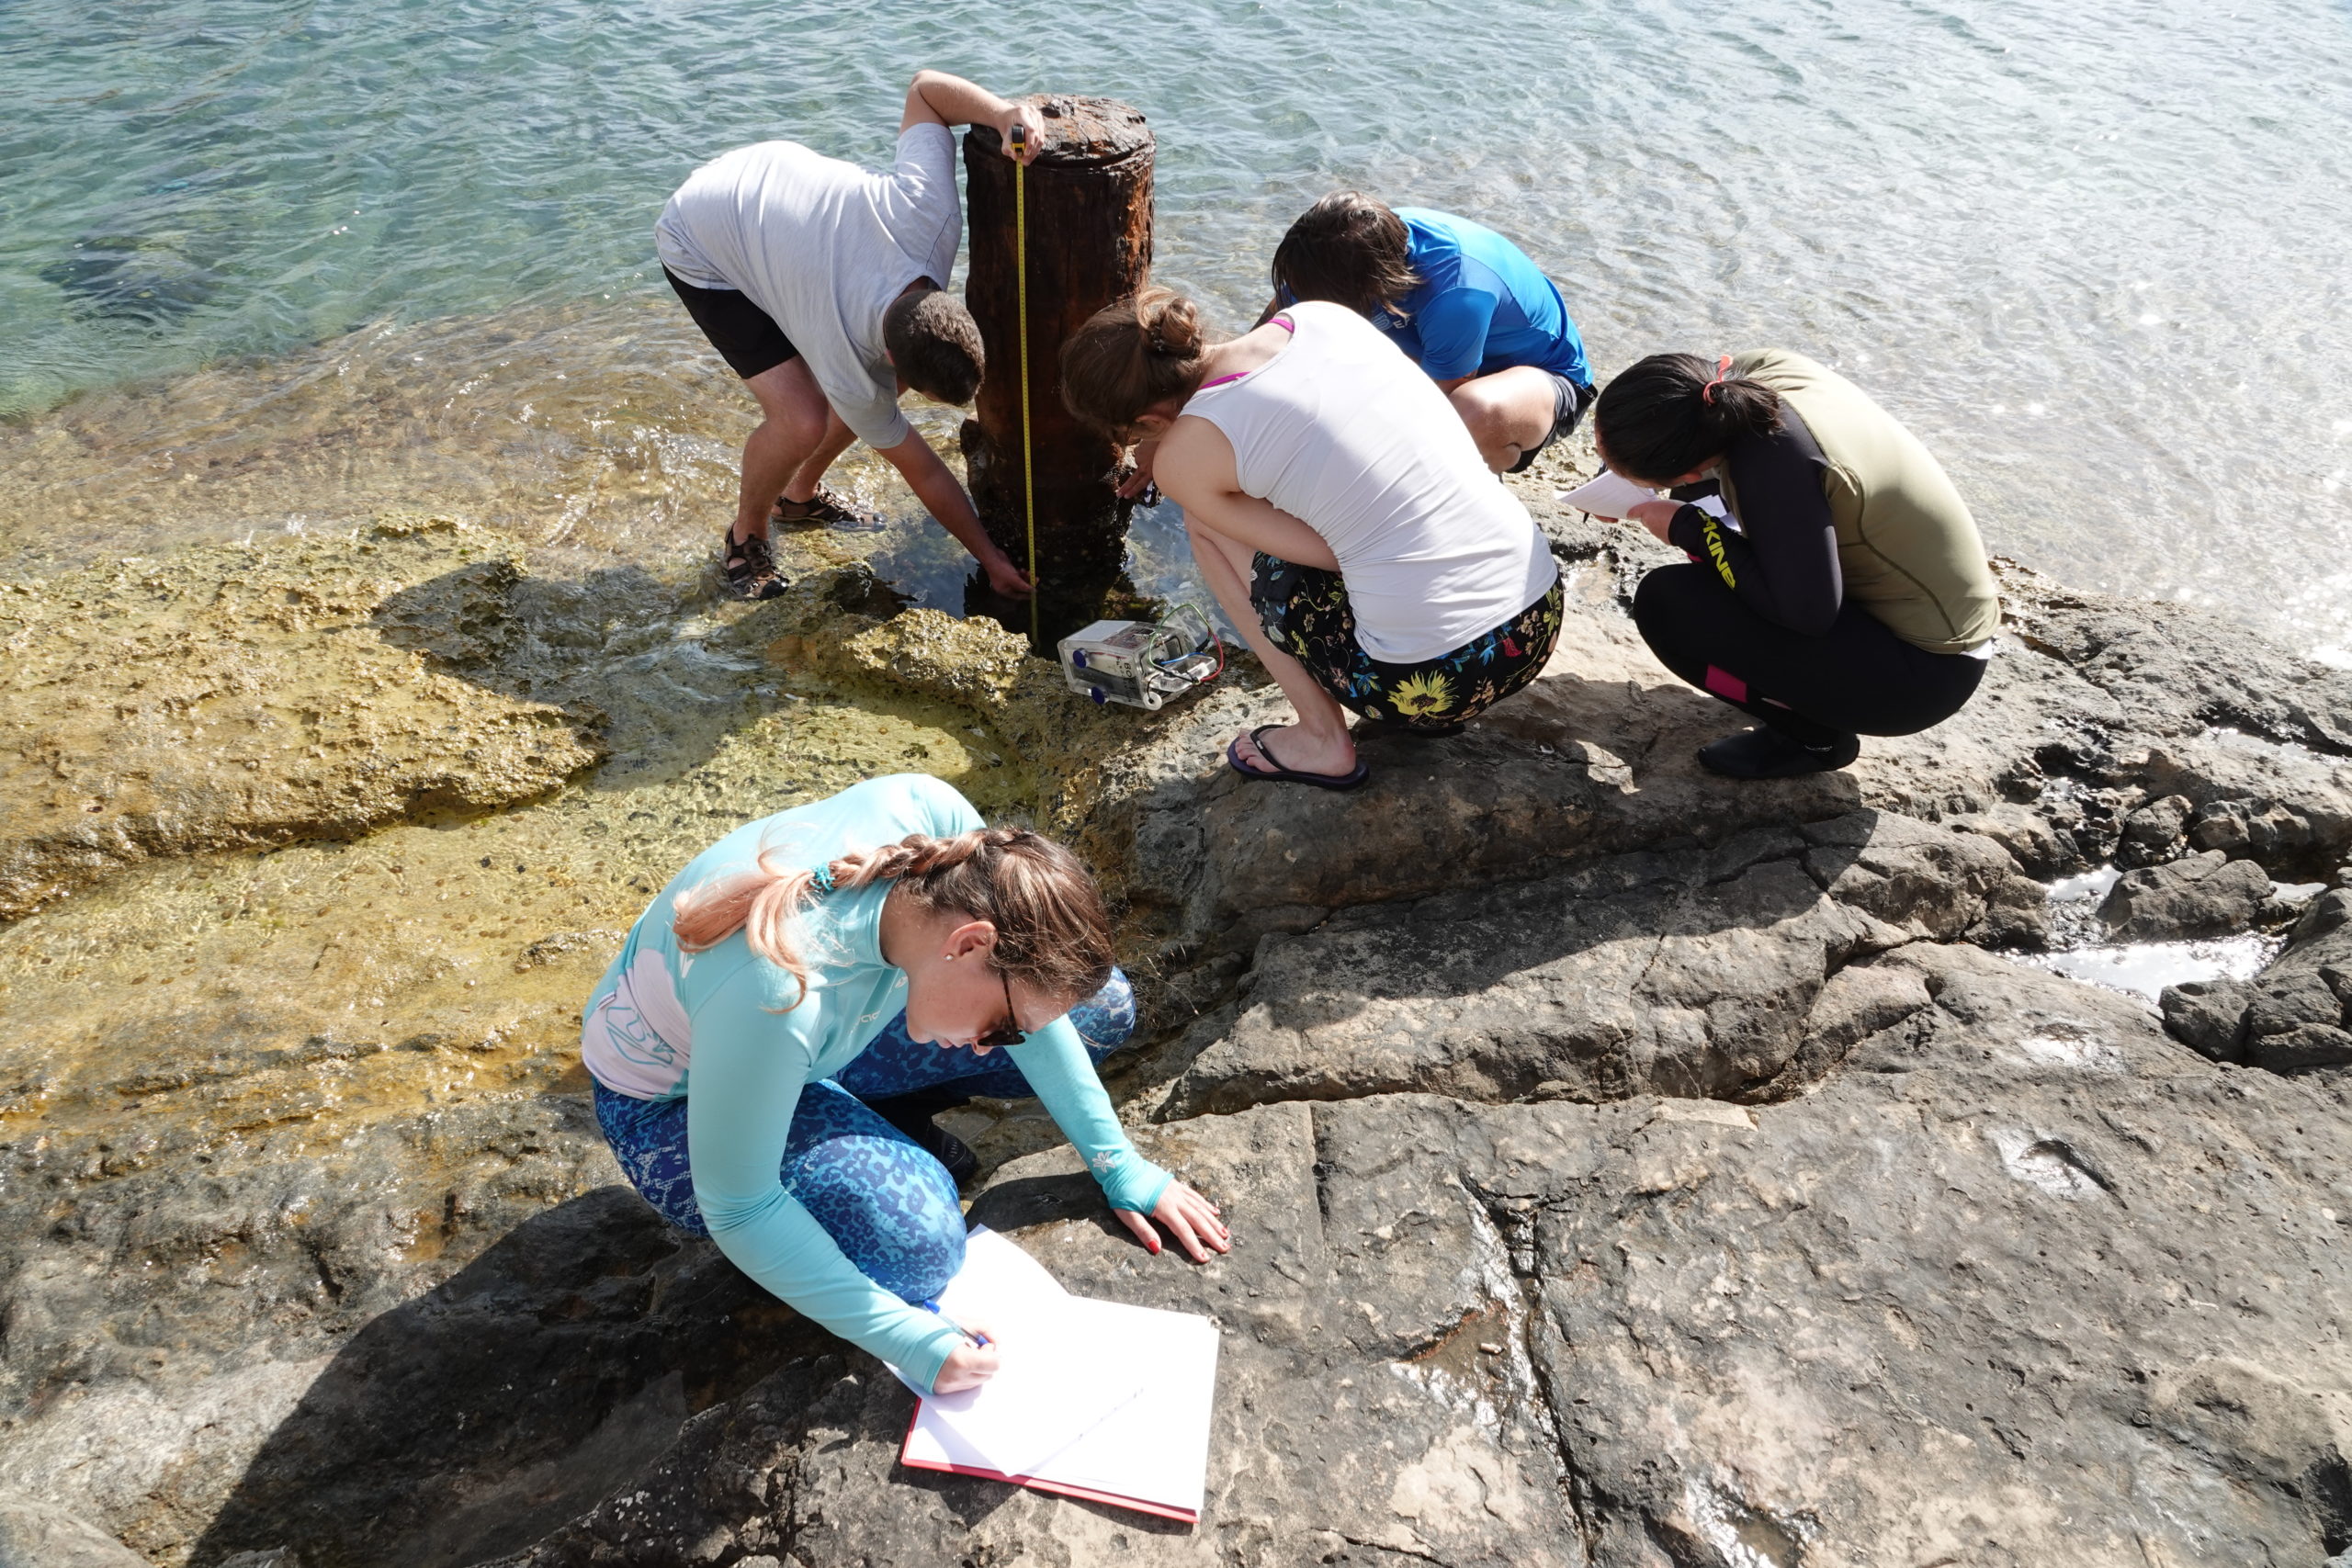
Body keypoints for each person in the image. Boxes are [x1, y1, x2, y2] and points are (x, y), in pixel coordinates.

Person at [580, 773, 1229, 1394]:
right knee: (919, 1246)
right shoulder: (778, 990)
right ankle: (875, 1130)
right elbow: (740, 1205)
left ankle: (875, 1120)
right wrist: (904, 1336)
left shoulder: (939, 826)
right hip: (678, 1106)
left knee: (1098, 1007)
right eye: (999, 1025)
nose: (990, 1044)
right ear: (971, 943)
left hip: (822, 1033)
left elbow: (1036, 1015)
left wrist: (1116, 1160)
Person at [1062, 288, 1566, 790]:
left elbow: (1332, 555)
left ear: (1148, 421)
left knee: (1205, 523)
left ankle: (1322, 738)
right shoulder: (1320, 316)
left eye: (1132, 436)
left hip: (1427, 681)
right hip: (1537, 622)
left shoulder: (1183, 459)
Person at [655, 71, 1039, 602]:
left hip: (768, 182)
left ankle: (798, 495)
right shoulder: (846, 359)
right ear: (888, 352)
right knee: (802, 418)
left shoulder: (931, 216)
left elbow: (925, 90)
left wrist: (1001, 113)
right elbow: (924, 473)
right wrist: (990, 560)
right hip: (700, 234)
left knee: (878, 395)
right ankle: (747, 533)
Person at [1593, 350, 2001, 779]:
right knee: (1715, 554)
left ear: (1688, 469)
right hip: (1933, 617)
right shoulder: (1743, 379)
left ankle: (1814, 738)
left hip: (1924, 677)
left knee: (1669, 603)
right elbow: (1674, 421)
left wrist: (1686, 527)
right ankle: (1792, 692)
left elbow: (1806, 612)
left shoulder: (1770, 463)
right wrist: (1622, 472)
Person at [1266, 193, 1594, 475]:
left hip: (1542, 385)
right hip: (1431, 352)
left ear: (1377, 285)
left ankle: (1480, 485)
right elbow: (1273, 335)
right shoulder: (1337, 255)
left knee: (1468, 414)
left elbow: (1432, 412)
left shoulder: (1457, 292)